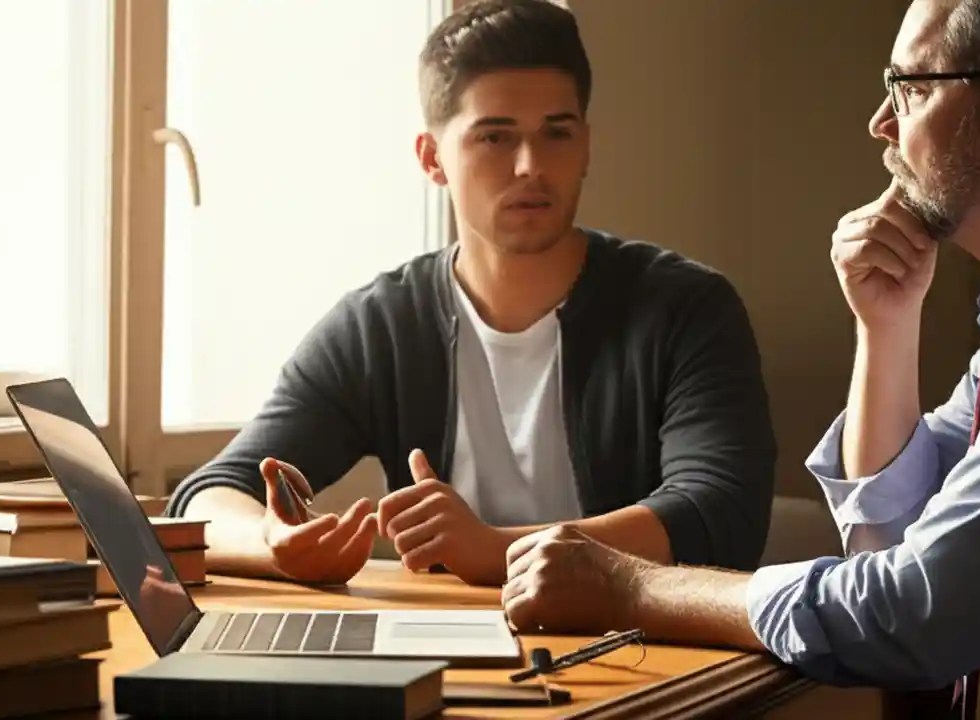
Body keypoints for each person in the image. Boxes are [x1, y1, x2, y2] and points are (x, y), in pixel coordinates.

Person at [502, 1, 980, 717]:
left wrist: (631, 588)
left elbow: (916, 615)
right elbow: (889, 551)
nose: (881, 123)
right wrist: (885, 327)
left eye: (912, 88)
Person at [165, 0, 775, 588]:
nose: (530, 165)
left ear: (586, 145)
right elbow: (208, 498)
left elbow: (720, 514)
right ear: (433, 158)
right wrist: (273, 546)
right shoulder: (381, 326)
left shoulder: (687, 308)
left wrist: (497, 549)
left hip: (647, 647)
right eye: (495, 137)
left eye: (557, 134)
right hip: (449, 651)